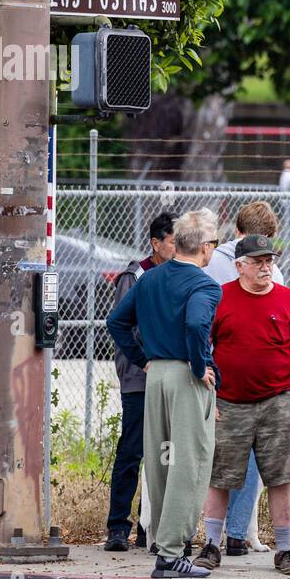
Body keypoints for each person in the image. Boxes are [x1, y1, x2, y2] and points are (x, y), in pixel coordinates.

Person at [107, 208, 223, 579]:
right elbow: (194, 323)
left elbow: (116, 322)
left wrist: (142, 359)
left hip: (155, 375)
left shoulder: (150, 278)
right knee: (189, 463)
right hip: (184, 378)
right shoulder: (205, 285)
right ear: (204, 248)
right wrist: (199, 364)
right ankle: (173, 553)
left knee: (160, 460)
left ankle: (160, 539)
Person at [193, 235, 290, 576]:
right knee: (221, 475)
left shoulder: (288, 299)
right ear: (239, 265)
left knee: (280, 476)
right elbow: (203, 348)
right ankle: (212, 543)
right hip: (230, 402)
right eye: (257, 261)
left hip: (279, 400)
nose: (265, 266)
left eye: (268, 260)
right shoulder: (221, 297)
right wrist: (208, 395)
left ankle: (285, 550)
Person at [204, 200, 285, 554]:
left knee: (220, 462)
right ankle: (234, 534)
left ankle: (215, 535)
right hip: (246, 382)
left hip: (221, 377)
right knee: (244, 459)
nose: (262, 262)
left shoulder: (208, 263)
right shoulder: (262, 272)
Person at [104, 211, 176, 553]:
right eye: (173, 242)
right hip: (140, 376)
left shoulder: (179, 275)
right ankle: (118, 526)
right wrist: (146, 360)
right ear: (156, 243)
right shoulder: (135, 276)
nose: (178, 249)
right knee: (132, 451)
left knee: (164, 454)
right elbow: (123, 326)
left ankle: (152, 525)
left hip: (169, 379)